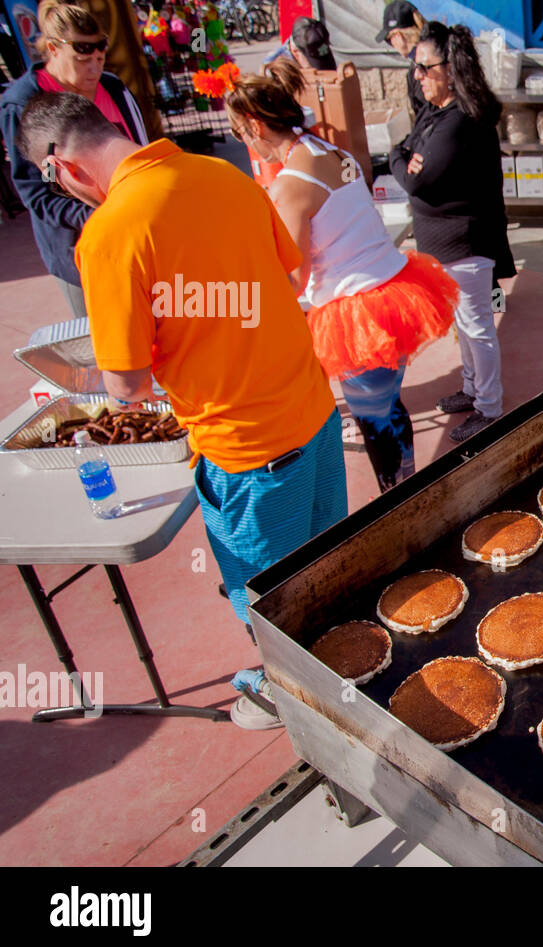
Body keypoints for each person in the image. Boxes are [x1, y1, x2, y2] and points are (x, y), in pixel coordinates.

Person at [19, 91, 348, 730]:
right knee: (328, 569)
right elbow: (284, 277)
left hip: (247, 453)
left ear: (62, 166)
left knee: (268, 600)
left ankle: (304, 702)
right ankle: (338, 667)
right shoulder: (221, 173)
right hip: (313, 413)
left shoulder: (111, 233)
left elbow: (129, 386)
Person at [226, 59, 459, 491]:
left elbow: (294, 279)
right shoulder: (330, 151)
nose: (244, 143)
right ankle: (405, 487)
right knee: (387, 407)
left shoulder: (290, 183)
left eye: (240, 133)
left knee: (376, 417)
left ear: (255, 126)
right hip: (393, 289)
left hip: (358, 313)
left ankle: (398, 499)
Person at [390, 23, 516, 443]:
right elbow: (409, 155)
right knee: (464, 325)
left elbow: (415, 181)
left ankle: (489, 407)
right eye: (416, 67)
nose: (417, 76)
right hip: (447, 246)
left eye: (425, 68)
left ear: (450, 68)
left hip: (466, 243)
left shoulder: (460, 121)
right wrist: (403, 155)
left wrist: (398, 157)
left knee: (477, 326)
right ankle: (471, 389)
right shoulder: (438, 113)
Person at [0, 0, 148, 318]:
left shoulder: (113, 88)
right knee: (105, 340)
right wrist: (94, 218)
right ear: (53, 49)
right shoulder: (23, 104)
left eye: (100, 57)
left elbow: (143, 151)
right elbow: (38, 191)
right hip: (78, 247)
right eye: (82, 60)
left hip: (134, 232)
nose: (94, 68)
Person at [376, 0, 426, 118]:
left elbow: (429, 113)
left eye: (389, 40)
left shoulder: (421, 67)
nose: (391, 45)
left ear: (398, 36)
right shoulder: (433, 53)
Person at [263, 16, 337, 72]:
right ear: (295, 52)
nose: (318, 70)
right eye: (312, 63)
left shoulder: (319, 42)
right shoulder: (272, 67)